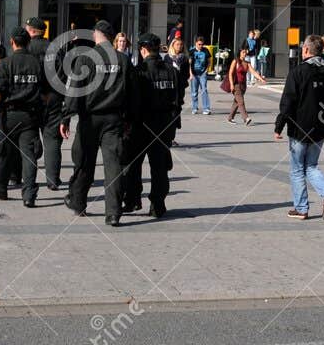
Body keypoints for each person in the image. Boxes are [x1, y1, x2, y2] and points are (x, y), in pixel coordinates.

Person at [62, 21, 134, 225]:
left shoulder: (85, 57)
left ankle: (78, 203)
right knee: (113, 165)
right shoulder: (122, 59)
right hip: (114, 119)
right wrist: (129, 118)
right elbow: (131, 93)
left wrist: (66, 116)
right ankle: (113, 213)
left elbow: (74, 90)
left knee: (84, 161)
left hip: (89, 119)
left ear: (96, 34)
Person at [275, 34, 324, 221]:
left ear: (305, 50)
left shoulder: (298, 72)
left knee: (297, 169)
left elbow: (288, 101)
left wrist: (279, 126)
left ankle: (302, 208)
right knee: (311, 165)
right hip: (321, 124)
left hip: (300, 126)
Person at [0, 29, 42, 207]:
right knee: (29, 155)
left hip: (9, 114)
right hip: (30, 116)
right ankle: (29, 195)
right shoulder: (37, 63)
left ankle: (0, 187)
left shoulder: (5, 64)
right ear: (28, 42)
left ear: (12, 42)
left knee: (5, 152)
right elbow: (46, 92)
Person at [130, 34, 178, 218]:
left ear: (143, 50)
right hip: (164, 124)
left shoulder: (139, 70)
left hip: (142, 125)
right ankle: (158, 204)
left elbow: (133, 100)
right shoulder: (171, 70)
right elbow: (178, 97)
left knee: (134, 165)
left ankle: (134, 199)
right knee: (159, 167)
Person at [25, 17, 62, 192]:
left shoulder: (25, 48)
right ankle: (53, 179)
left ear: (31, 31)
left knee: (29, 139)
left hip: (30, 99)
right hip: (52, 98)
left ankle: (24, 178)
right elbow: (62, 75)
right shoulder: (53, 48)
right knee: (52, 140)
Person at [226, 48, 258, 125]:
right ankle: (246, 118)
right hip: (236, 85)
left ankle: (230, 118)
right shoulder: (235, 61)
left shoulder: (247, 63)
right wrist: (231, 84)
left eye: (245, 52)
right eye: (243, 52)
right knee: (241, 102)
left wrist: (260, 78)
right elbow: (230, 73)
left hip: (243, 86)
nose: (245, 54)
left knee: (237, 102)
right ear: (239, 53)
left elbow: (253, 72)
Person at [188, 35, 213, 115]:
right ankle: (195, 107)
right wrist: (190, 74)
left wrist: (206, 70)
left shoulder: (205, 50)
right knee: (194, 92)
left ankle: (206, 108)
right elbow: (189, 63)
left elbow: (209, 61)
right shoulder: (192, 51)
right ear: (196, 43)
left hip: (202, 73)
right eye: (199, 44)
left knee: (204, 90)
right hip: (194, 73)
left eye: (202, 44)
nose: (200, 46)